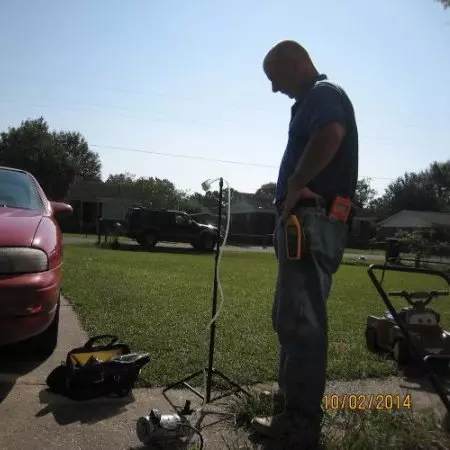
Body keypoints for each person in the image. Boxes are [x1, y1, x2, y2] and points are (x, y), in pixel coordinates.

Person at [251, 40, 359, 449]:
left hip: (312, 219)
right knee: (290, 318)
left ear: (296, 64)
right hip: (305, 221)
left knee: (301, 323)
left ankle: (300, 426)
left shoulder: (323, 94)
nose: (274, 89)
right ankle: (290, 405)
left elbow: (331, 132)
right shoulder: (312, 99)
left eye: (274, 77)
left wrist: (296, 184)